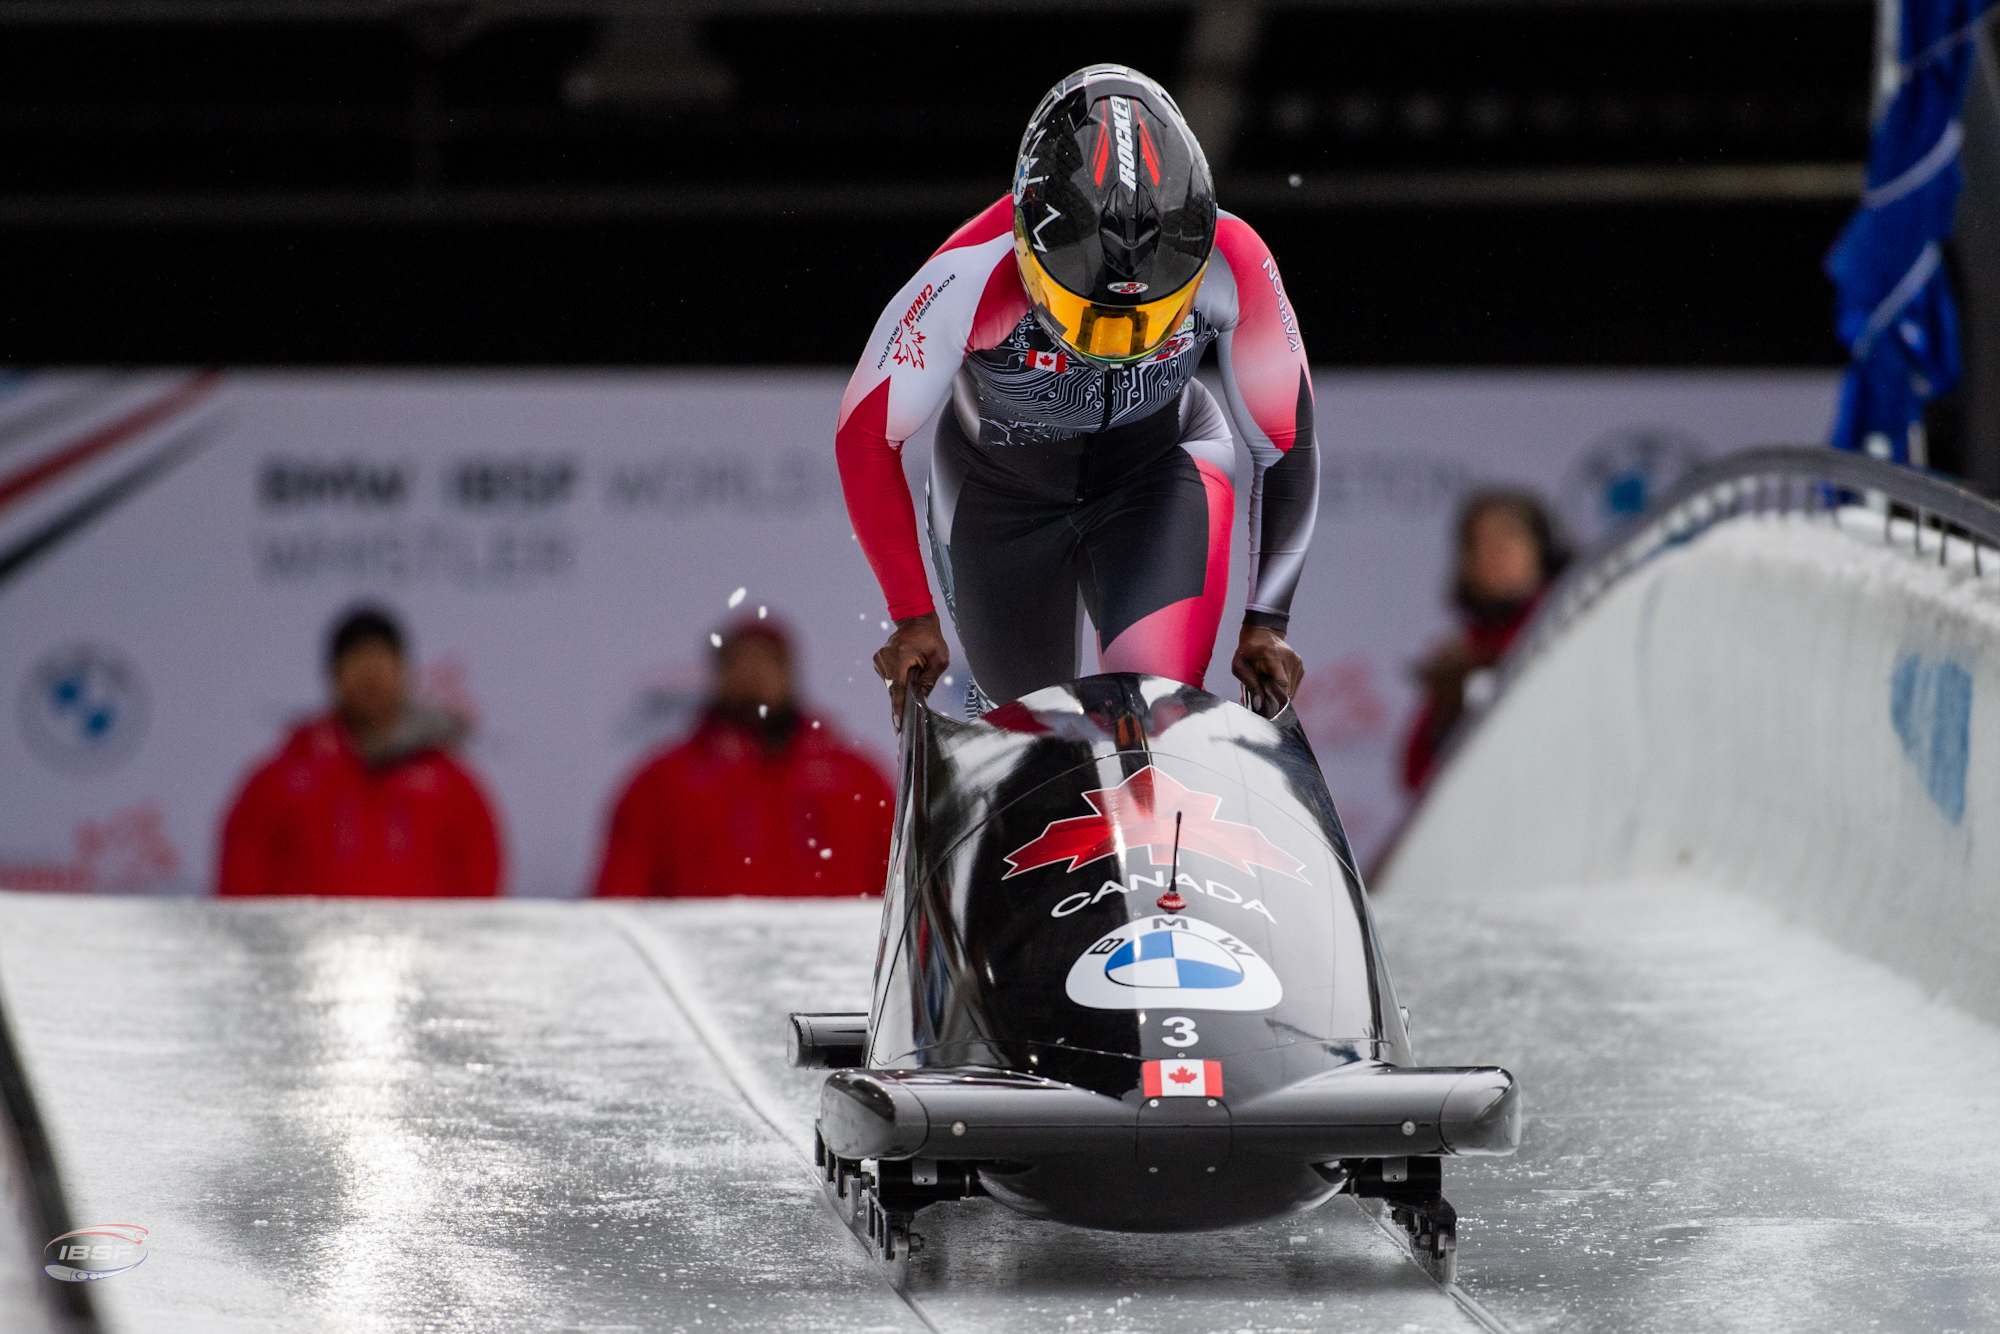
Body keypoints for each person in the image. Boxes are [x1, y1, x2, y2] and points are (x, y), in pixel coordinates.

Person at [837, 64, 1320, 722]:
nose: (1118, 343)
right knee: (1027, 737)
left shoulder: (1234, 259)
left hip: (1159, 478)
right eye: (1089, 313)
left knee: (1152, 716)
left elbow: (1286, 441)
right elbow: (865, 436)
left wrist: (1268, 621)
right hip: (999, 504)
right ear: (1028, 252)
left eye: (1150, 317)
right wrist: (912, 615)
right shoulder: (968, 277)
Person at [592, 621, 894, 898]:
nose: (753, 676)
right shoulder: (662, 783)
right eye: (739, 663)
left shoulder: (858, 781)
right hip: (700, 955)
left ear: (789, 673)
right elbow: (619, 899)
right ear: (717, 675)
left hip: (837, 956)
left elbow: (903, 889)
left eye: (767, 662)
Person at [218, 605, 503, 896]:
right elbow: (240, 896)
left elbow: (481, 896)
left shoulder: (452, 785)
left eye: (381, 661)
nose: (370, 675)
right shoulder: (278, 781)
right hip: (307, 942)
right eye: (357, 661)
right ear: (334, 673)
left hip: (425, 942)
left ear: (405, 672)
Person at [1400, 490, 1569, 792]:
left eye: (1509, 537)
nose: (1494, 555)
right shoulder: (1462, 652)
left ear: (1542, 549)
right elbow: (1416, 777)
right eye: (1479, 543)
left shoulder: (1570, 628)